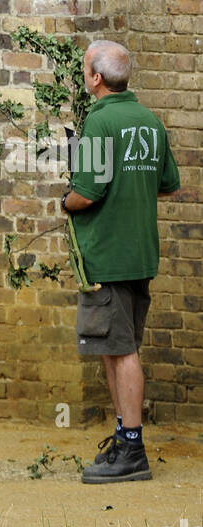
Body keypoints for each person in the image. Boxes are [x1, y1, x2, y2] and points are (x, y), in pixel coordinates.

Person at [61, 40, 180, 483]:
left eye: (84, 70)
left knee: (121, 350)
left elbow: (87, 193)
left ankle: (132, 448)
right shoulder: (149, 121)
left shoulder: (99, 121)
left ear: (95, 77)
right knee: (116, 348)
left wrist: (64, 201)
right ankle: (123, 440)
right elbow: (168, 185)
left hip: (107, 256)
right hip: (141, 253)